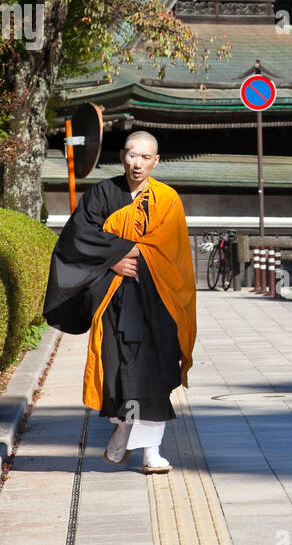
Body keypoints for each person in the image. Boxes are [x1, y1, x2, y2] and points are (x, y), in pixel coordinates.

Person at [42, 130, 197, 474]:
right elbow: (78, 238)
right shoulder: (102, 194)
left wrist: (130, 251)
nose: (137, 163)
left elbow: (170, 247)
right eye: (131, 154)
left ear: (156, 161)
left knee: (156, 374)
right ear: (122, 156)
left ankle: (151, 451)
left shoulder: (167, 199)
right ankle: (124, 429)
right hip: (114, 297)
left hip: (158, 298)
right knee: (119, 371)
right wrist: (113, 260)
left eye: (145, 157)